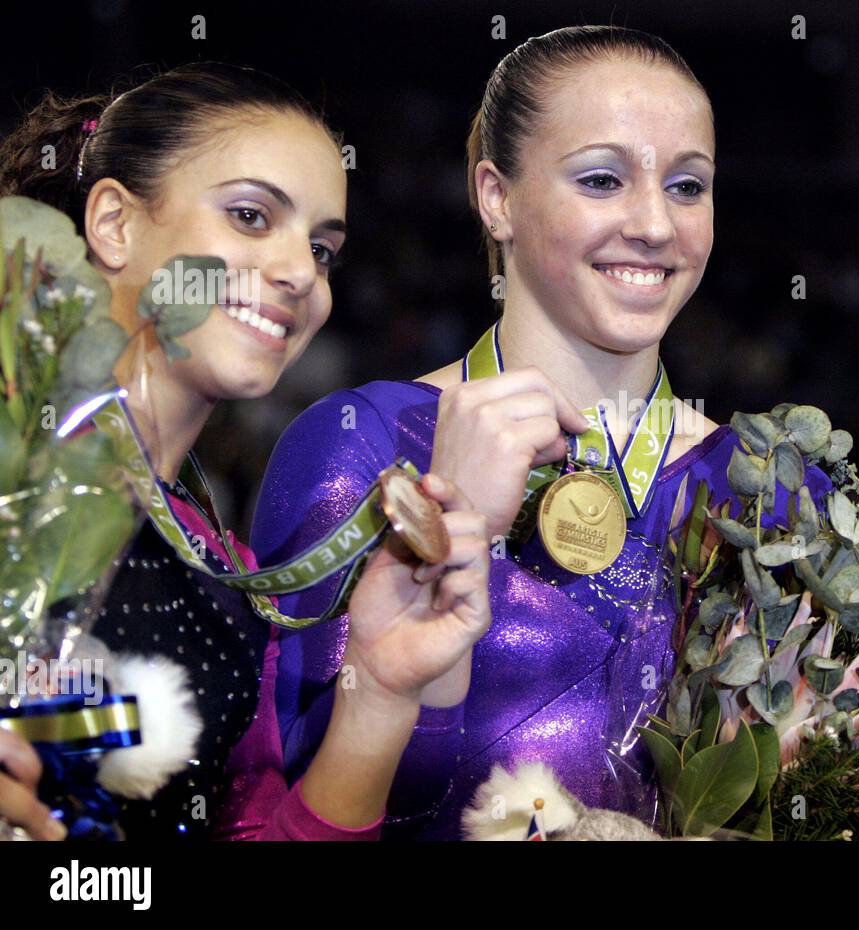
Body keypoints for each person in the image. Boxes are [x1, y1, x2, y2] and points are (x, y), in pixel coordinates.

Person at [250, 25, 828, 840]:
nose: (656, 225)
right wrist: (460, 536)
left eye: (689, 186)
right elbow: (305, 809)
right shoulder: (365, 446)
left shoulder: (776, 488)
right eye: (602, 179)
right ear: (496, 197)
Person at [0, 63, 492, 840]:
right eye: (251, 216)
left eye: (324, 250)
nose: (301, 273)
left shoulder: (224, 571)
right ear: (114, 225)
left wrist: (383, 688)